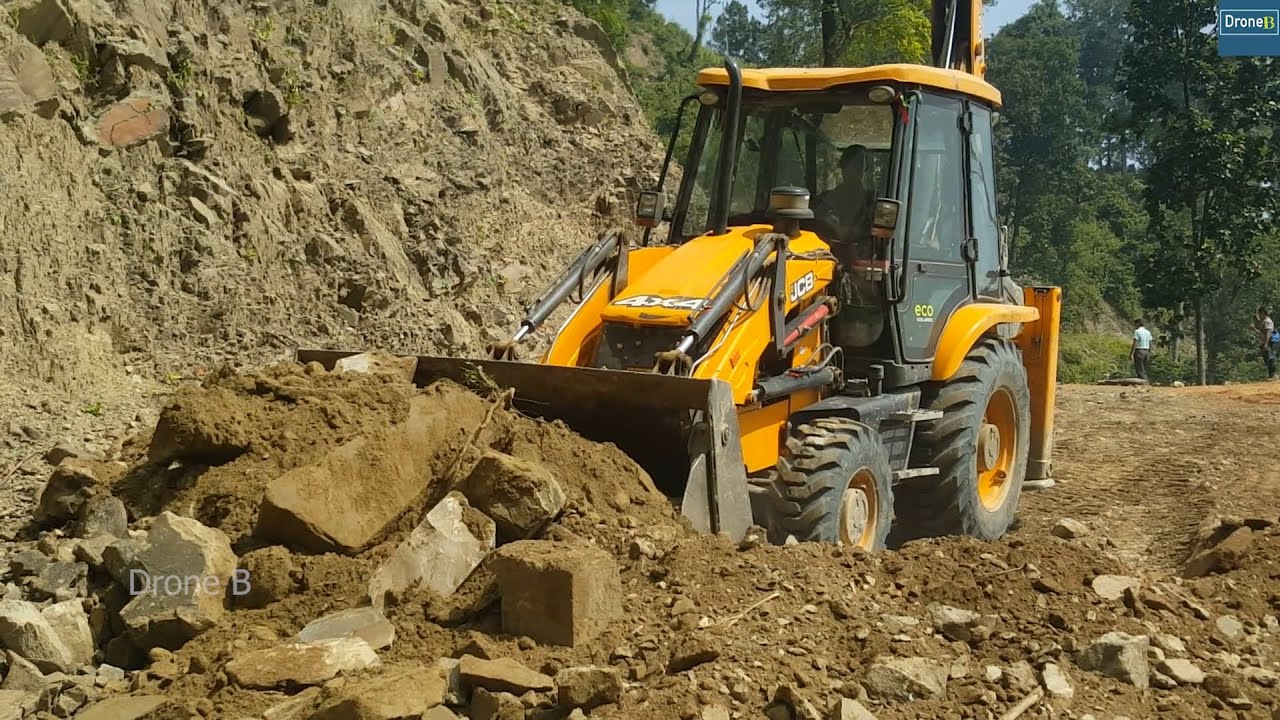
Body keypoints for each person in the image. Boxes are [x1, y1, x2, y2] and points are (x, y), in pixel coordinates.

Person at [813, 144, 875, 243]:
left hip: (863, 255)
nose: (854, 170)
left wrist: (839, 228)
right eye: (849, 164)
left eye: (858, 166)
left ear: (865, 169)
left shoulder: (873, 203)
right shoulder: (824, 200)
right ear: (842, 166)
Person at [1256, 307, 1278, 380]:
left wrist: (1266, 344)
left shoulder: (1267, 321)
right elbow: (1262, 333)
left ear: (1262, 313)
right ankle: (1270, 375)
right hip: (1265, 341)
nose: (1258, 315)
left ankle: (1273, 375)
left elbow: (1268, 333)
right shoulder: (1264, 321)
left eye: (1259, 313)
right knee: (1266, 358)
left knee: (1270, 357)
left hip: (1269, 342)